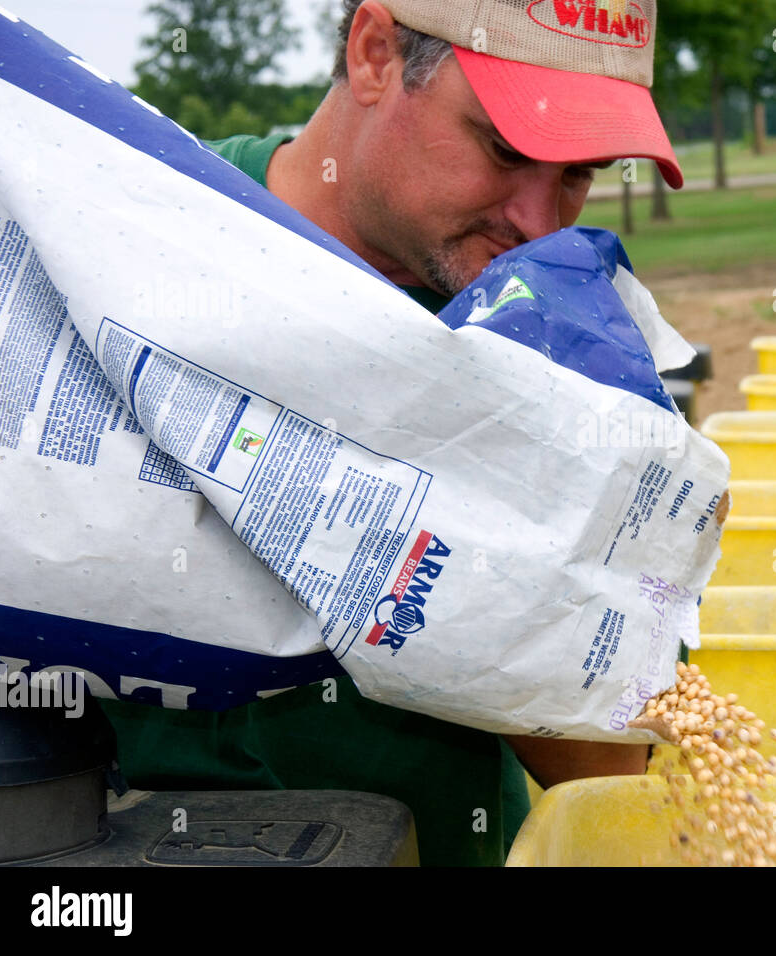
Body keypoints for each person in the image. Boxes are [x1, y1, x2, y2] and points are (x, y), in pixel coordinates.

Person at [99, 0, 685, 867]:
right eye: (507, 150)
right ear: (375, 54)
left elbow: (605, 773)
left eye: (577, 174)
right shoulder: (123, 244)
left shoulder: (557, 350)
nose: (539, 221)